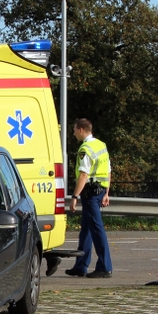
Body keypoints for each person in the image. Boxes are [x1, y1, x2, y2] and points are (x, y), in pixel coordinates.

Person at [66, 118, 113, 278]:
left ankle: (105, 267)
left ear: (81, 129)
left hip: (90, 193)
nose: (73, 133)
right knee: (86, 230)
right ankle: (81, 265)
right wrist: (106, 193)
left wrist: (74, 196)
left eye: (74, 130)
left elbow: (84, 174)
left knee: (96, 228)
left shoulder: (85, 149)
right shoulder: (101, 145)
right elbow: (108, 170)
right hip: (99, 191)